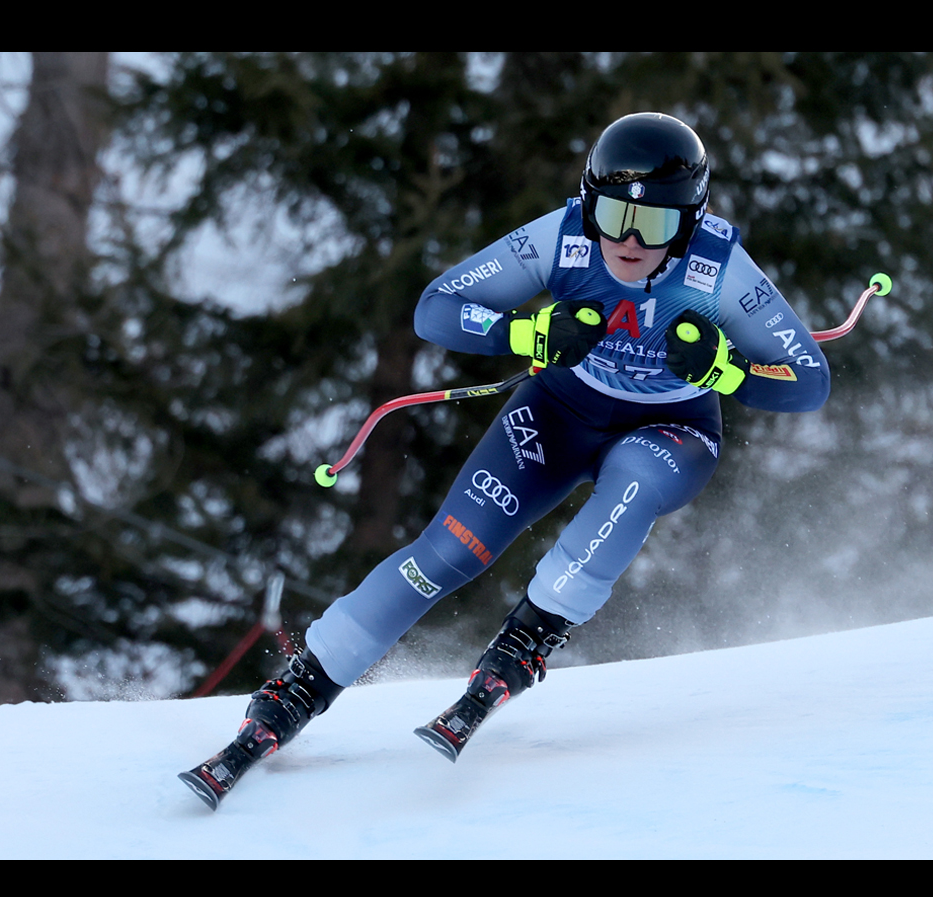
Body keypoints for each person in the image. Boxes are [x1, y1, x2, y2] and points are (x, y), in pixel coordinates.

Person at [233, 111, 829, 764]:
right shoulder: (562, 237)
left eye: (654, 224)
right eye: (613, 216)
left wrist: (728, 369)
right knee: (448, 551)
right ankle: (302, 684)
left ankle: (529, 638)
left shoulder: (720, 269)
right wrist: (527, 332)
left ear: (689, 222)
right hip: (557, 412)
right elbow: (436, 309)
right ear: (587, 201)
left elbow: (807, 381)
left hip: (671, 429)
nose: (628, 242)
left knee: (632, 481)